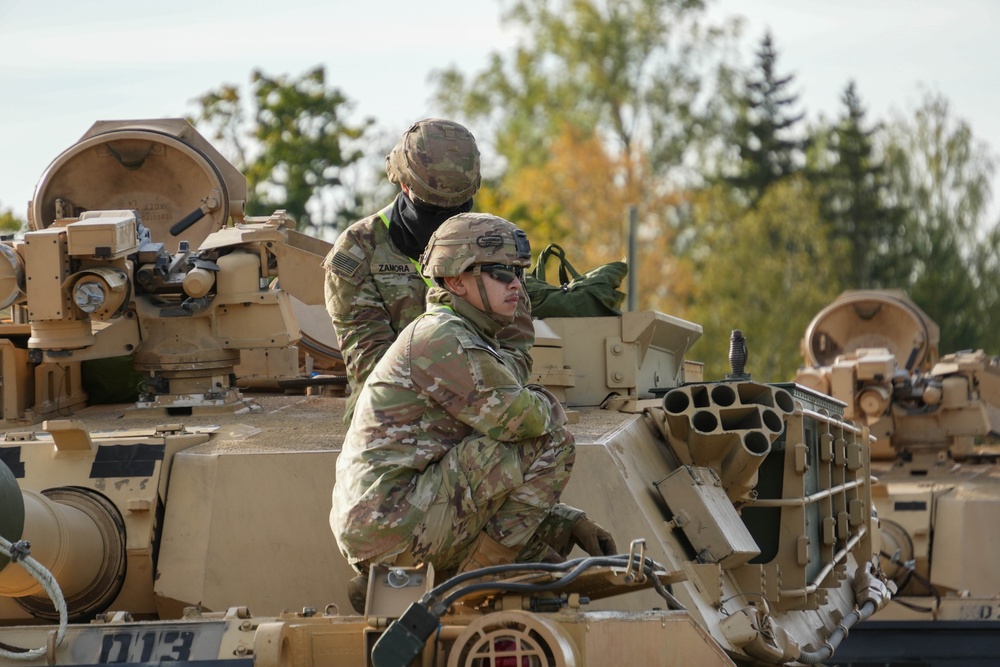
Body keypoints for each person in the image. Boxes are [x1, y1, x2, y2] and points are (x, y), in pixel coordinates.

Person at [330, 212, 616, 613]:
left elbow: (479, 470)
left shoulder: (463, 332)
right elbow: (527, 421)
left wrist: (566, 522)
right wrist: (541, 399)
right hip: (393, 521)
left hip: (397, 514)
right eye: (500, 272)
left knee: (537, 502)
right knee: (552, 443)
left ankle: (491, 568)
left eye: (518, 272)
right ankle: (469, 587)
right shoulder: (445, 338)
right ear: (455, 280)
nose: (516, 284)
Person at [324, 118, 517, 423]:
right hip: (393, 419)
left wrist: (496, 398)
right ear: (403, 184)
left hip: (484, 407)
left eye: (458, 209)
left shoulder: (491, 241)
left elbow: (514, 343)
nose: (446, 222)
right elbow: (373, 368)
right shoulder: (359, 251)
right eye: (432, 208)